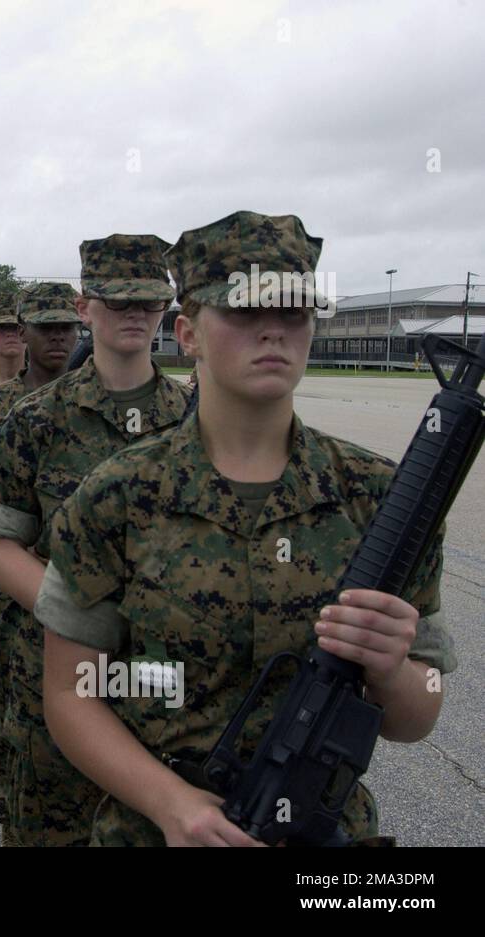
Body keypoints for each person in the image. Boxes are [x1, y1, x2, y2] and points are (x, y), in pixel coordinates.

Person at [37, 210, 457, 846]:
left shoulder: (381, 497)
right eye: (242, 313)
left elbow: (415, 715)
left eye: (293, 315)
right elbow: (70, 694)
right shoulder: (117, 496)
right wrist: (175, 806)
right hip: (157, 829)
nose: (273, 333)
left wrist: (393, 665)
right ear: (187, 334)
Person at [0, 234, 190, 846]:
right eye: (116, 301)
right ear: (85, 307)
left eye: (147, 304)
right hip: (55, 671)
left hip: (166, 682)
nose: (133, 316)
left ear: (165, 312)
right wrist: (82, 615)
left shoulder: (196, 421)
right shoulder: (37, 420)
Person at [0, 283, 78, 836]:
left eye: (67, 327)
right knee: (7, 671)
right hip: (16, 570)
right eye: (45, 326)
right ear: (24, 331)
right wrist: (6, 546)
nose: (57, 337)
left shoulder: (93, 401)